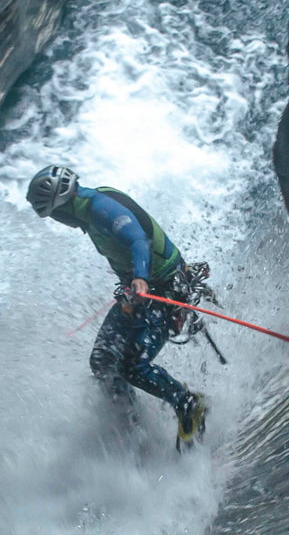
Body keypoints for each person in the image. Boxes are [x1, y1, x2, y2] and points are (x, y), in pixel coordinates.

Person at [27, 165, 207, 448]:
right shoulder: (89, 215)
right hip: (139, 293)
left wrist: (140, 278)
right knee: (101, 361)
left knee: (131, 365)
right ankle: (132, 425)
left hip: (165, 290)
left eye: (55, 214)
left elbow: (137, 240)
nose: (58, 221)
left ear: (63, 204)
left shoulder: (100, 208)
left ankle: (189, 405)